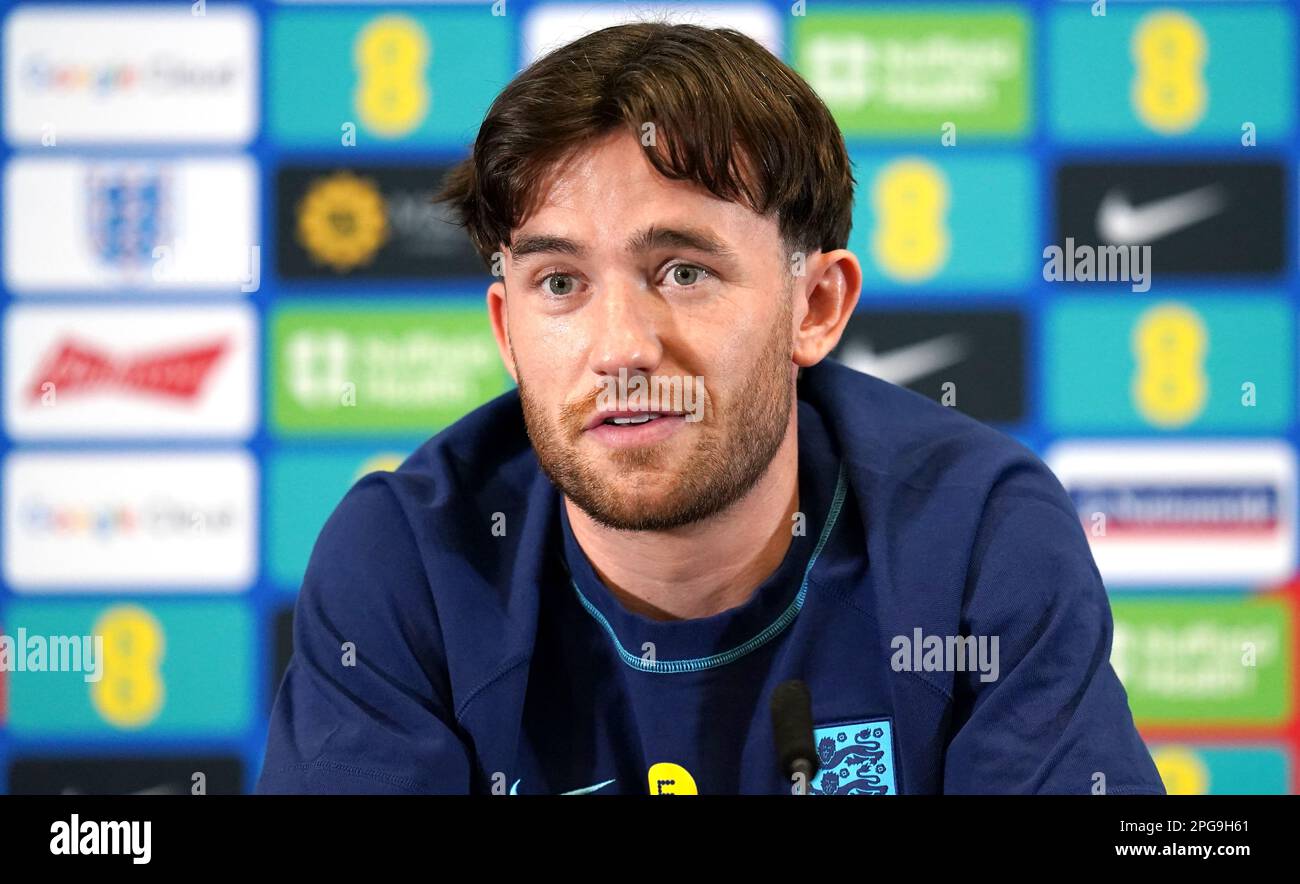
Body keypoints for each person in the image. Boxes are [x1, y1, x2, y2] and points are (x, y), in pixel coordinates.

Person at [257, 21, 1164, 795]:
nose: (620, 348)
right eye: (560, 282)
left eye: (683, 272)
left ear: (815, 308)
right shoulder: (407, 563)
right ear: (507, 329)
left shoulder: (976, 534)